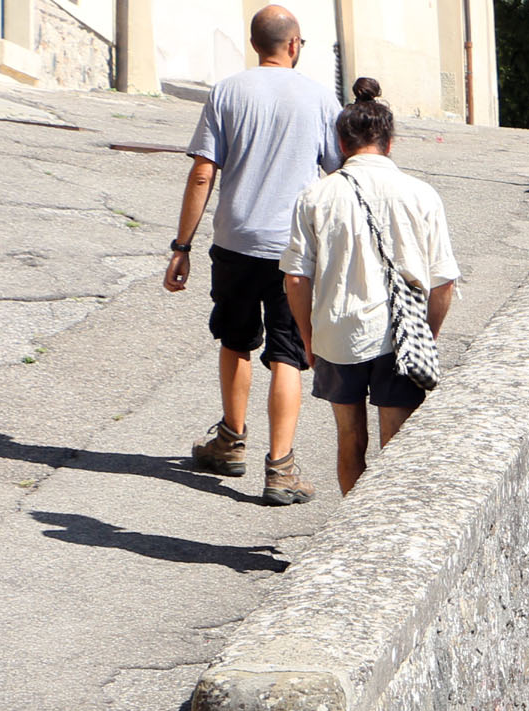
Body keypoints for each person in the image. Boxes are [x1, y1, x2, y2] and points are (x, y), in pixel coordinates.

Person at [166, 5, 340, 505]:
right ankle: (280, 468)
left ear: (256, 44)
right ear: (293, 45)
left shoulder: (227, 92)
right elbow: (337, 170)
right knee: (288, 353)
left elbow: (203, 173)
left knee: (235, 339)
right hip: (294, 249)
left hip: (235, 241)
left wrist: (182, 247)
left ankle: (230, 441)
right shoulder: (318, 99)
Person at [282, 78, 459, 495]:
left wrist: (308, 338)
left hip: (337, 333)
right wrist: (425, 337)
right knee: (396, 447)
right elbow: (444, 281)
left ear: (341, 144)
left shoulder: (315, 196)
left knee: (350, 442)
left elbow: (294, 277)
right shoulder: (422, 194)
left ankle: (350, 532)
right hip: (400, 336)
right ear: (390, 142)